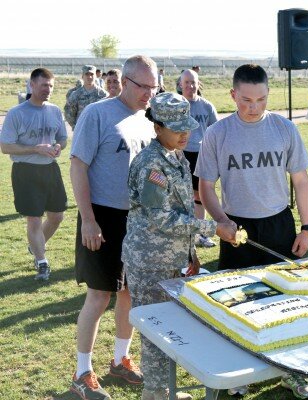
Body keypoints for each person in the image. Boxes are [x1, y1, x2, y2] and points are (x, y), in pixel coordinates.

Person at [197, 64, 308, 399]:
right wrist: (221, 221)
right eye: (246, 100)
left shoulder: (284, 128)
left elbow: (302, 181)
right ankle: (237, 374)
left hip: (279, 223)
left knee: (288, 301)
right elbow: (206, 188)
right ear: (233, 94)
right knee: (237, 302)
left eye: (261, 100)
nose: (253, 107)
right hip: (236, 226)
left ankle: (293, 370)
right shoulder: (218, 134)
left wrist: (307, 227)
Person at [122, 92, 237, 400]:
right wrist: (213, 228)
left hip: (171, 256)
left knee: (171, 329)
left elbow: (181, 210)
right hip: (150, 261)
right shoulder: (152, 165)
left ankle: (165, 390)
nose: (185, 133)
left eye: (187, 126)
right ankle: (156, 393)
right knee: (155, 329)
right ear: (157, 127)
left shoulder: (176, 155)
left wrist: (190, 253)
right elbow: (160, 218)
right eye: (176, 128)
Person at [69, 55, 160, 400]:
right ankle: (81, 373)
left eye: (154, 87)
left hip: (135, 219)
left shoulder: (147, 119)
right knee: (99, 295)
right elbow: (78, 166)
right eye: (143, 87)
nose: (149, 94)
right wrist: (88, 219)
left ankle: (120, 360)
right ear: (124, 81)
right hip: (102, 217)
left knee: (129, 292)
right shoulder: (97, 114)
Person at [0, 68, 67, 281]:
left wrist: (58, 146)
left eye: (51, 86)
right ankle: (42, 262)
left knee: (57, 216)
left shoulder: (55, 110)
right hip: (25, 171)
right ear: (32, 85)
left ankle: (35, 246)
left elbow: (63, 139)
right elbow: (6, 147)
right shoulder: (17, 113)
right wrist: (35, 148)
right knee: (34, 219)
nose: (48, 90)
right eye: (44, 85)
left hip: (50, 169)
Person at [179, 69, 219, 247]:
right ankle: (185, 236)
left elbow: (216, 131)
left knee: (200, 195)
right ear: (180, 85)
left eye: (193, 82)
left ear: (198, 83)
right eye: (186, 82)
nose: (190, 86)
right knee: (179, 196)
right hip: (180, 155)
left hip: (201, 155)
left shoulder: (207, 106)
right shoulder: (176, 106)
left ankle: (201, 234)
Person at [64, 65, 108, 129]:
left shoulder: (103, 95)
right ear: (82, 76)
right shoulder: (76, 94)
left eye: (92, 74)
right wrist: (75, 127)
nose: (89, 77)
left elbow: (107, 114)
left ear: (95, 76)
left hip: (99, 132)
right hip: (81, 131)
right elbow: (68, 112)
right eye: (87, 74)